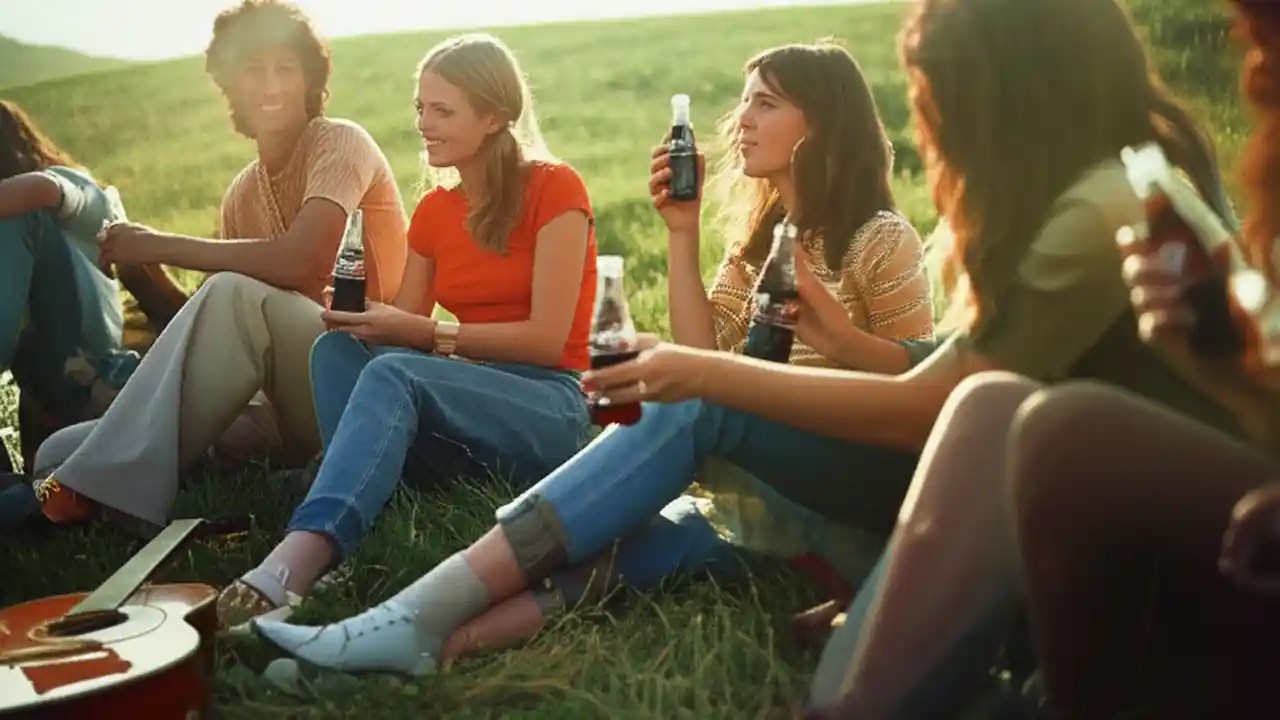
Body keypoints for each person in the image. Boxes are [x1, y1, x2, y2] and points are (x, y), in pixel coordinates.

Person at [247, 39, 934, 676]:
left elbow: (917, 396)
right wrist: (681, 232)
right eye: (745, 99)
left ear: (821, 123)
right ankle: (424, 642)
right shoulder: (752, 251)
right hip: (748, 482)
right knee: (623, 551)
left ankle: (396, 615)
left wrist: (840, 338)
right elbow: (706, 361)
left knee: (648, 521)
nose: (740, 119)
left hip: (822, 479)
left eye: (765, 102)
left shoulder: (880, 240)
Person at [801, 0, 1266, 716]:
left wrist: (699, 373)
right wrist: (1226, 359)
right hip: (1171, 520)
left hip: (1206, 541)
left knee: (1042, 422)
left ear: (1008, 103)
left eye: (1265, 40)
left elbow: (935, 396)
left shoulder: (1105, 203)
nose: (1253, 68)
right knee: (1001, 411)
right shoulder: (1077, 198)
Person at [215, 32, 599, 630]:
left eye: (443, 110)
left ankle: (306, 550)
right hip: (470, 402)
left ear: (495, 116)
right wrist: (369, 318)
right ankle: (367, 492)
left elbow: (548, 340)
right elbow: (403, 332)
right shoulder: (435, 214)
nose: (424, 123)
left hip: (549, 403)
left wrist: (428, 336)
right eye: (421, 107)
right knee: (337, 351)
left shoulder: (555, 189)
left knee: (397, 370)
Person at [32, 0, 408, 534]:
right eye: (254, 70)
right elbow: (222, 338)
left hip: (364, 381)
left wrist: (159, 244)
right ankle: (69, 492)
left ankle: (119, 507)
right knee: (58, 451)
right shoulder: (242, 194)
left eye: (286, 68)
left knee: (232, 294)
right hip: (286, 414)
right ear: (229, 84)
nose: (272, 85)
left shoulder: (339, 143)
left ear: (310, 78)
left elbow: (304, 260)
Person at [0, 100, 143, 524]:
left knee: (22, 214)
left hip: (101, 383)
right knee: (35, 497)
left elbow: (41, 191)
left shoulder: (70, 192)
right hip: (57, 414)